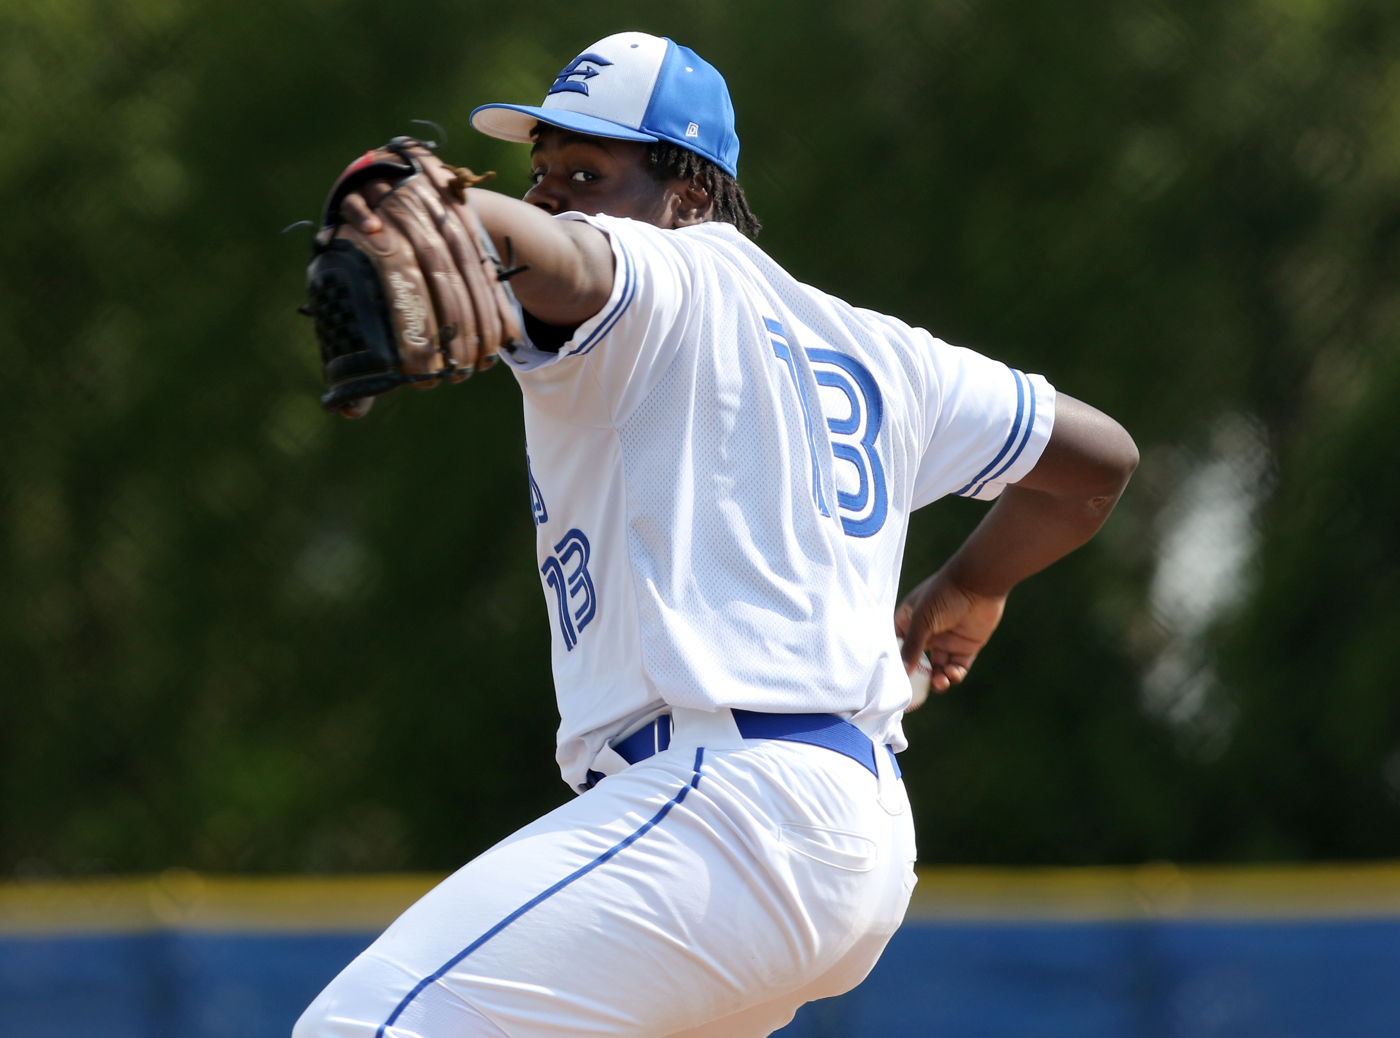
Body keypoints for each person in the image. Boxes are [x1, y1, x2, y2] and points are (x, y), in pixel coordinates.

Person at [293, 30, 1137, 1038]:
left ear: (687, 192)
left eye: (587, 170)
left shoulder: (659, 274)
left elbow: (576, 259)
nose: (555, 194)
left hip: (728, 812)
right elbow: (1096, 462)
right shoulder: (881, 351)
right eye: (543, 172)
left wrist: (469, 213)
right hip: (843, 836)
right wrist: (974, 584)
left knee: (365, 1027)